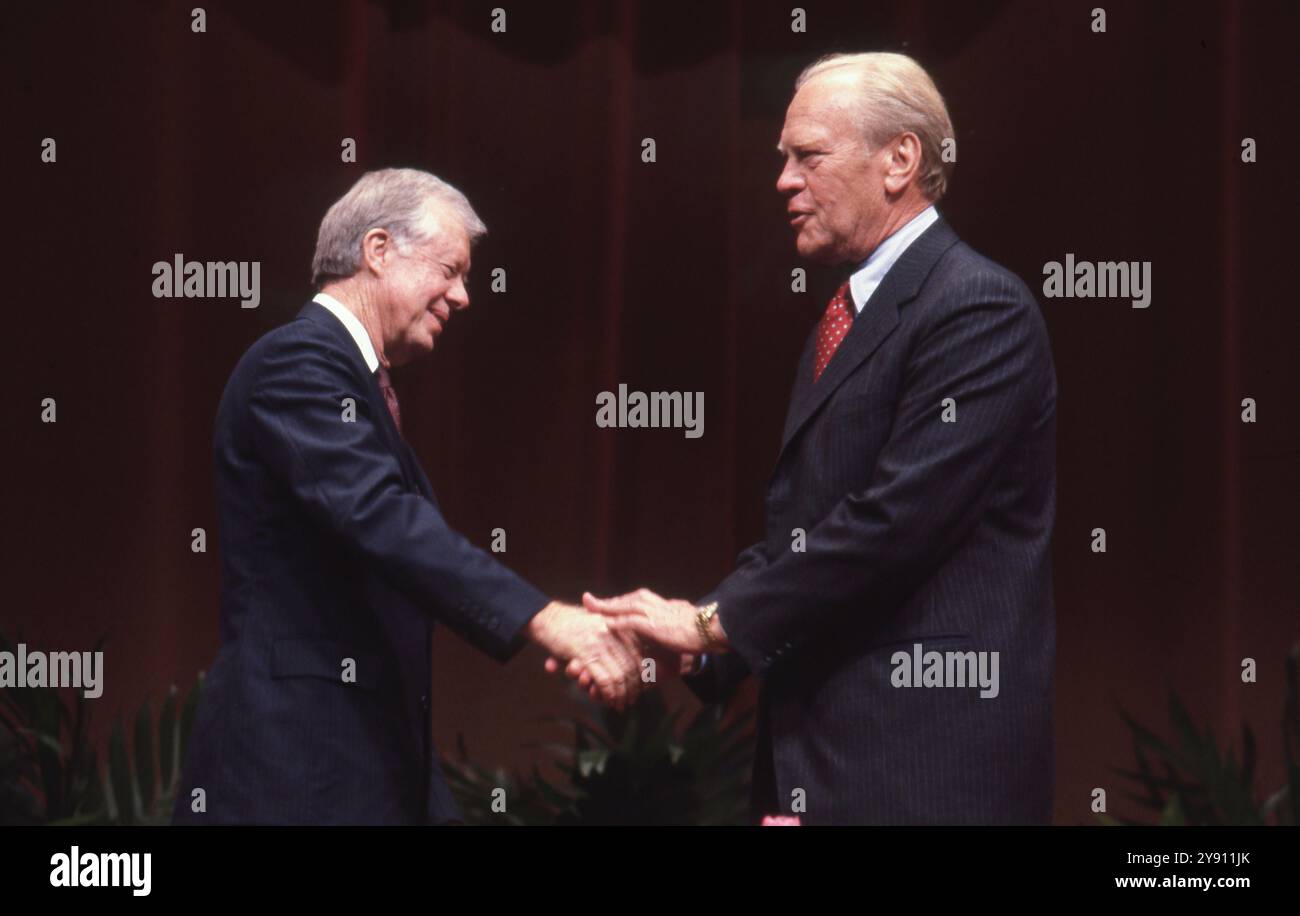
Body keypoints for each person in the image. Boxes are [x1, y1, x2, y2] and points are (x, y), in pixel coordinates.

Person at [583, 53, 1058, 825]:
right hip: (826, 766)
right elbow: (810, 533)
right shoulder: (844, 316)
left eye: (809, 155)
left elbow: (890, 525)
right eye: (783, 159)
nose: (783, 180)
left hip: (923, 776)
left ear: (899, 159)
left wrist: (709, 622)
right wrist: (696, 638)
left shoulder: (978, 308)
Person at [173, 168, 641, 825]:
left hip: (372, 765)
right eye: (450, 270)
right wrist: (547, 620)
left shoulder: (357, 382)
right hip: (292, 771)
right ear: (378, 250)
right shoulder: (296, 364)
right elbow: (382, 517)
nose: (463, 296)